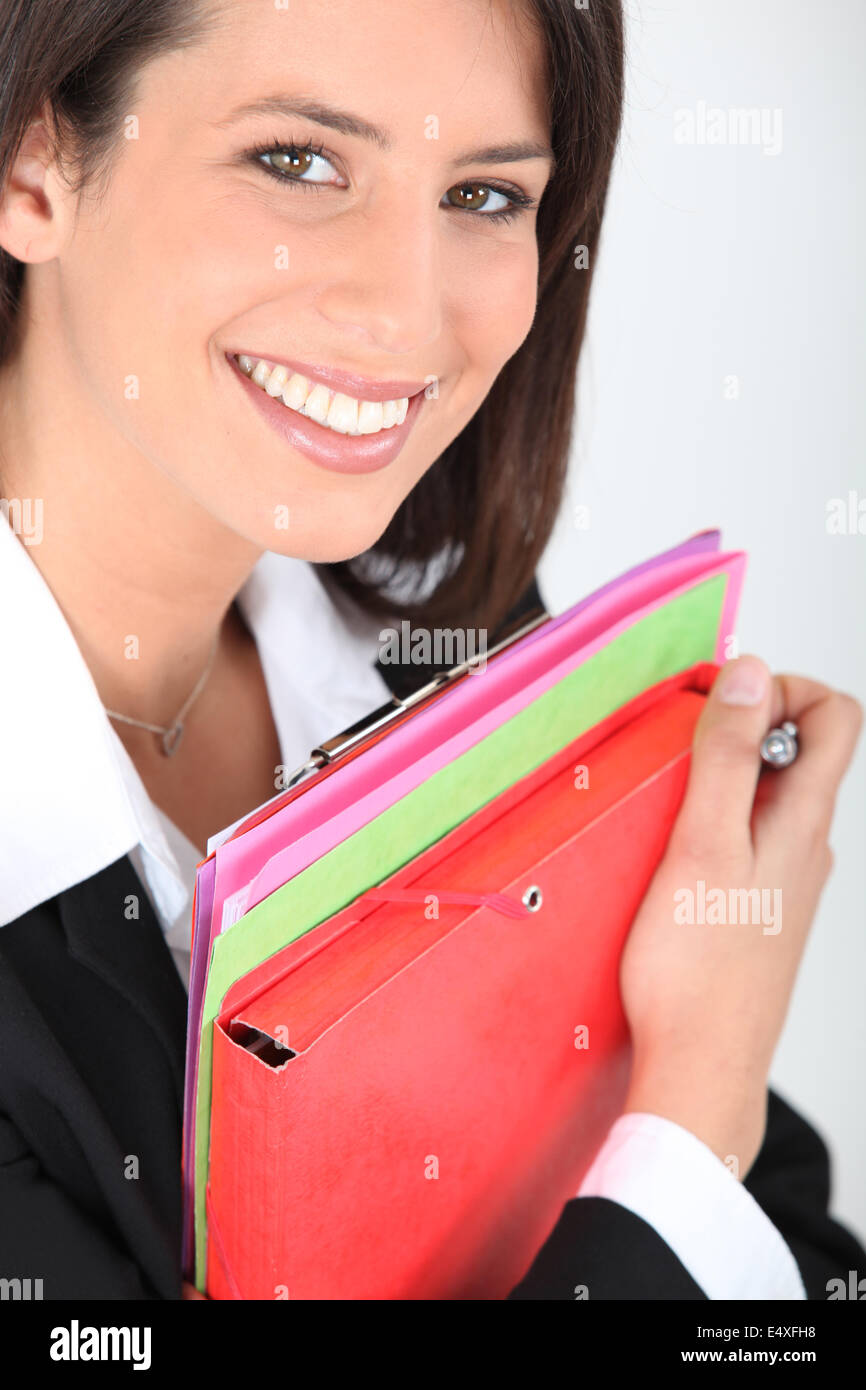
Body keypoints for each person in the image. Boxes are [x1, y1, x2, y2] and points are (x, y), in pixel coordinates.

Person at [0, 0, 862, 1301]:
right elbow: (709, 1196)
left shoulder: (436, 644)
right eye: (296, 160)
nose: (409, 316)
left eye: (481, 192)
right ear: (33, 163)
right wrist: (686, 1115)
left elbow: (789, 1239)